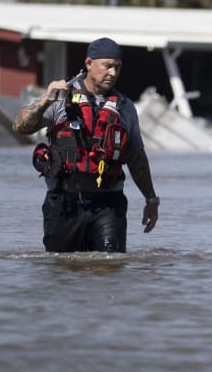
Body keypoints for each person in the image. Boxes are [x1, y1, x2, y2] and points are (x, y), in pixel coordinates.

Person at [12, 37, 160, 253]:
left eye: (117, 67)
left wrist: (151, 199)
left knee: (109, 267)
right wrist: (45, 101)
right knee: (62, 270)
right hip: (64, 204)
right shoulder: (60, 99)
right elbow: (20, 126)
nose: (112, 72)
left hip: (109, 204)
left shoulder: (125, 108)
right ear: (89, 63)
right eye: (107, 66)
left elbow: (136, 158)